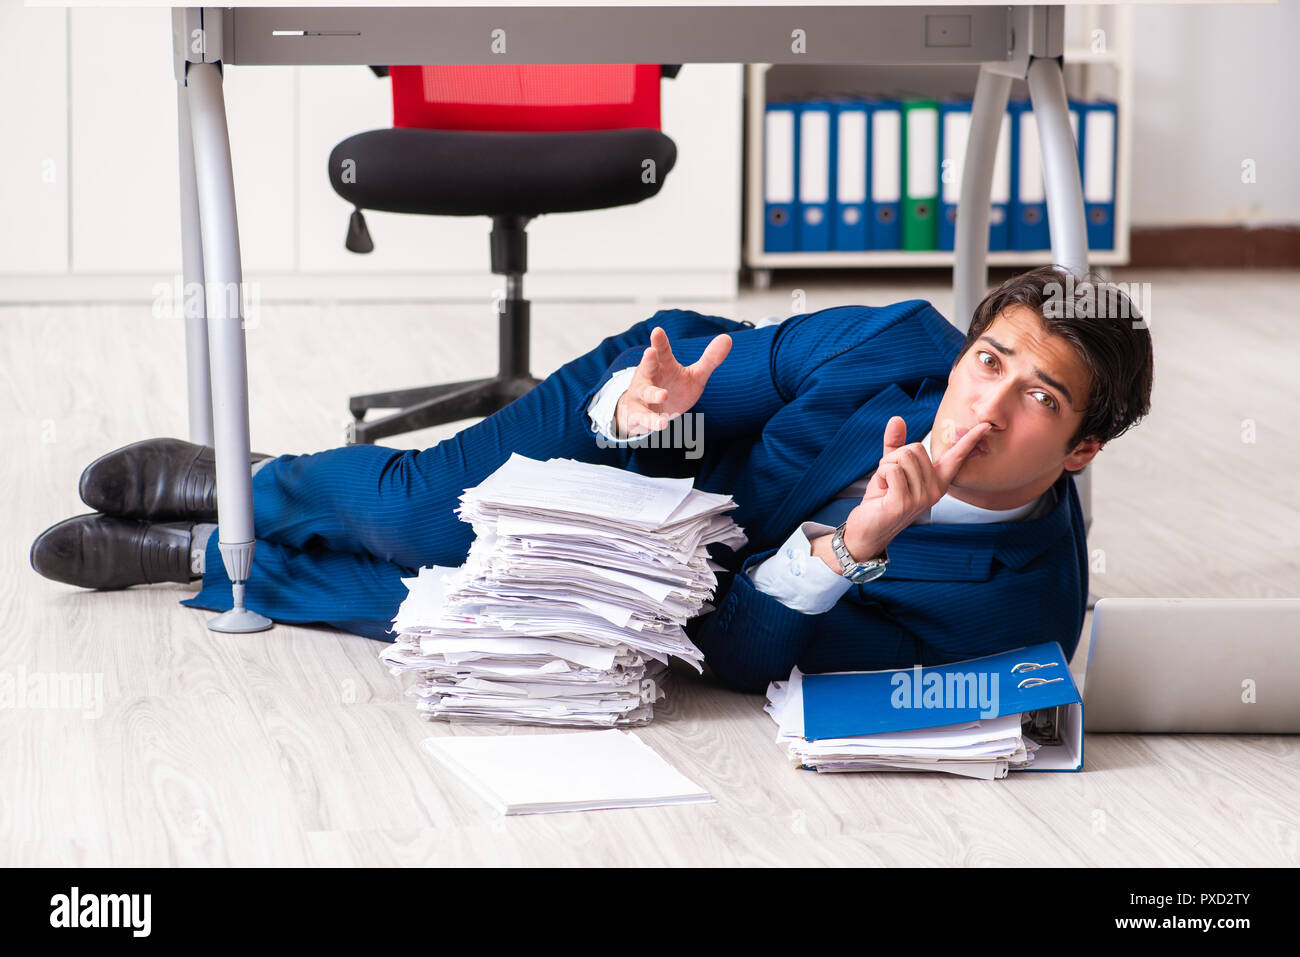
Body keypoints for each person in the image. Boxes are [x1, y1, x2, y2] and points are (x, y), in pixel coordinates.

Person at [31, 264, 1153, 692]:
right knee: (427, 516)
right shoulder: (894, 345)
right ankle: (257, 489)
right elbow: (714, 359)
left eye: (1037, 400)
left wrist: (848, 551)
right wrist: (643, 409)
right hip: (647, 430)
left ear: (1081, 448)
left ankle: (216, 561)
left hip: (697, 590)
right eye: (987, 363)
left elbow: (736, 658)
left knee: (474, 617)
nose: (986, 407)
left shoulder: (1017, 613)